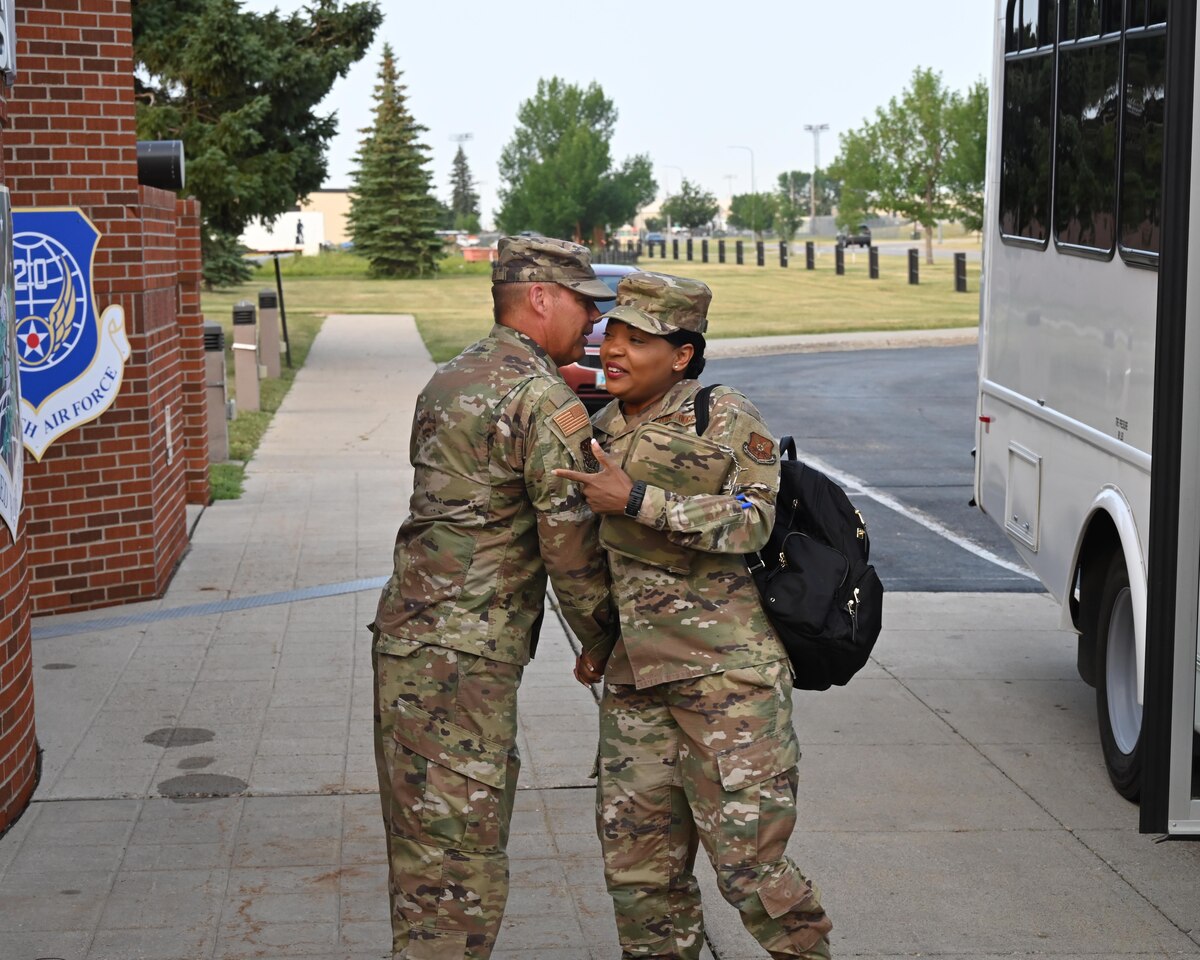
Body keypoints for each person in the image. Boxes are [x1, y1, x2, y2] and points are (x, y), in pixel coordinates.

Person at [555, 271, 833, 960]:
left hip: (726, 686)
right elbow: (597, 558)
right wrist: (599, 638)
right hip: (635, 688)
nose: (612, 350)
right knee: (640, 874)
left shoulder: (723, 414)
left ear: (681, 353)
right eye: (609, 334)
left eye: (635, 338)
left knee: (751, 871)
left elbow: (754, 521)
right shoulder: (596, 432)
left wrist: (640, 500)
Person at [371, 235, 620, 960]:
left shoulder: (450, 379)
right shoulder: (543, 401)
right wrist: (603, 641)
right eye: (583, 304)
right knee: (461, 874)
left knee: (422, 852)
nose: (593, 323)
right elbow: (569, 548)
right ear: (541, 297)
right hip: (464, 663)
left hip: (408, 641)